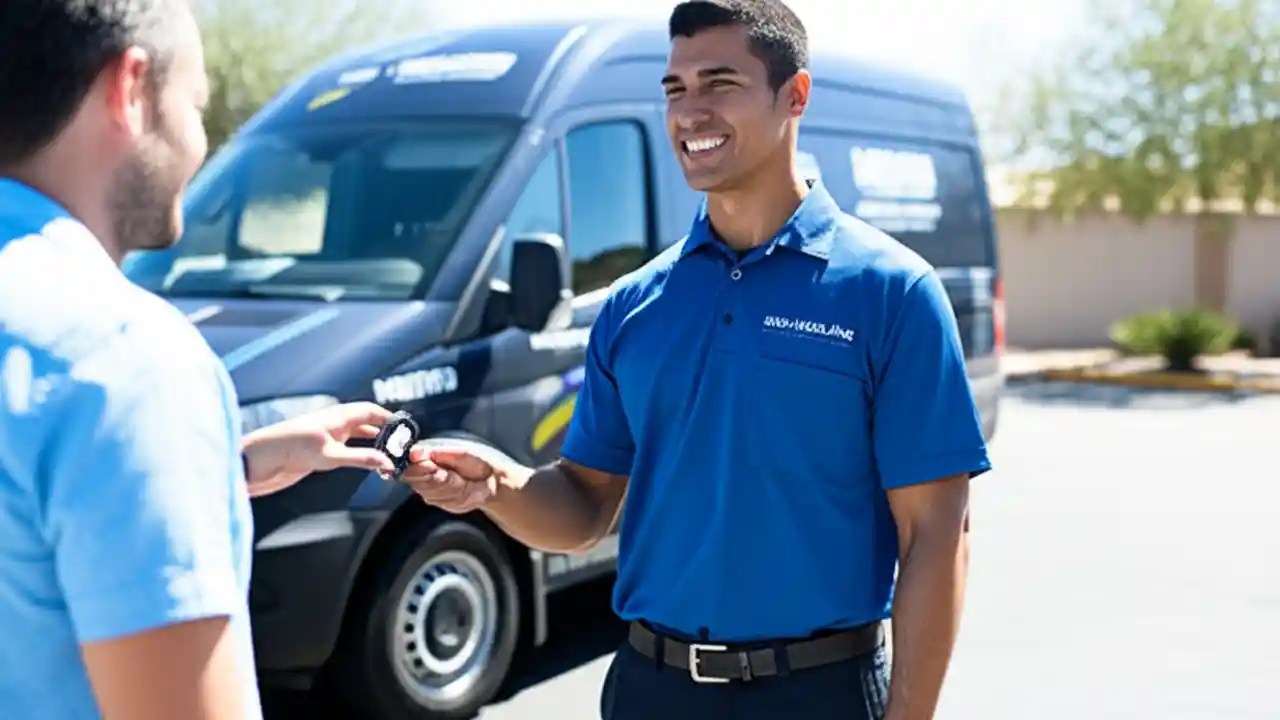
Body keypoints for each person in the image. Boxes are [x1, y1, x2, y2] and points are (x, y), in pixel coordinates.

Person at [404, 0, 991, 718]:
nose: (690, 112)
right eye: (676, 90)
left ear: (795, 95)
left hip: (820, 693)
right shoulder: (634, 304)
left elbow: (934, 533)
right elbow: (584, 506)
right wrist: (496, 484)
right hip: (651, 689)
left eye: (720, 83)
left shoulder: (891, 292)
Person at [0, 1, 398, 718]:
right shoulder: (122, 360)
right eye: (196, 104)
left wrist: (220, 470)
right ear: (130, 88)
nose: (200, 143)